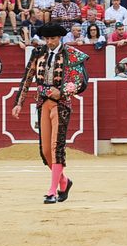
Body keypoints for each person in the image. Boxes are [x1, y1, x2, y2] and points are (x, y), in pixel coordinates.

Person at [12, 24, 89, 204]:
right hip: (42, 103)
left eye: (53, 39)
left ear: (59, 38)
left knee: (56, 147)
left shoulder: (71, 53)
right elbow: (27, 77)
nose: (50, 42)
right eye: (47, 39)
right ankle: (63, 181)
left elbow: (81, 81)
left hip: (61, 104)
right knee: (45, 150)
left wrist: (62, 91)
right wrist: (18, 103)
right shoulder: (38, 53)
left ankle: (52, 191)